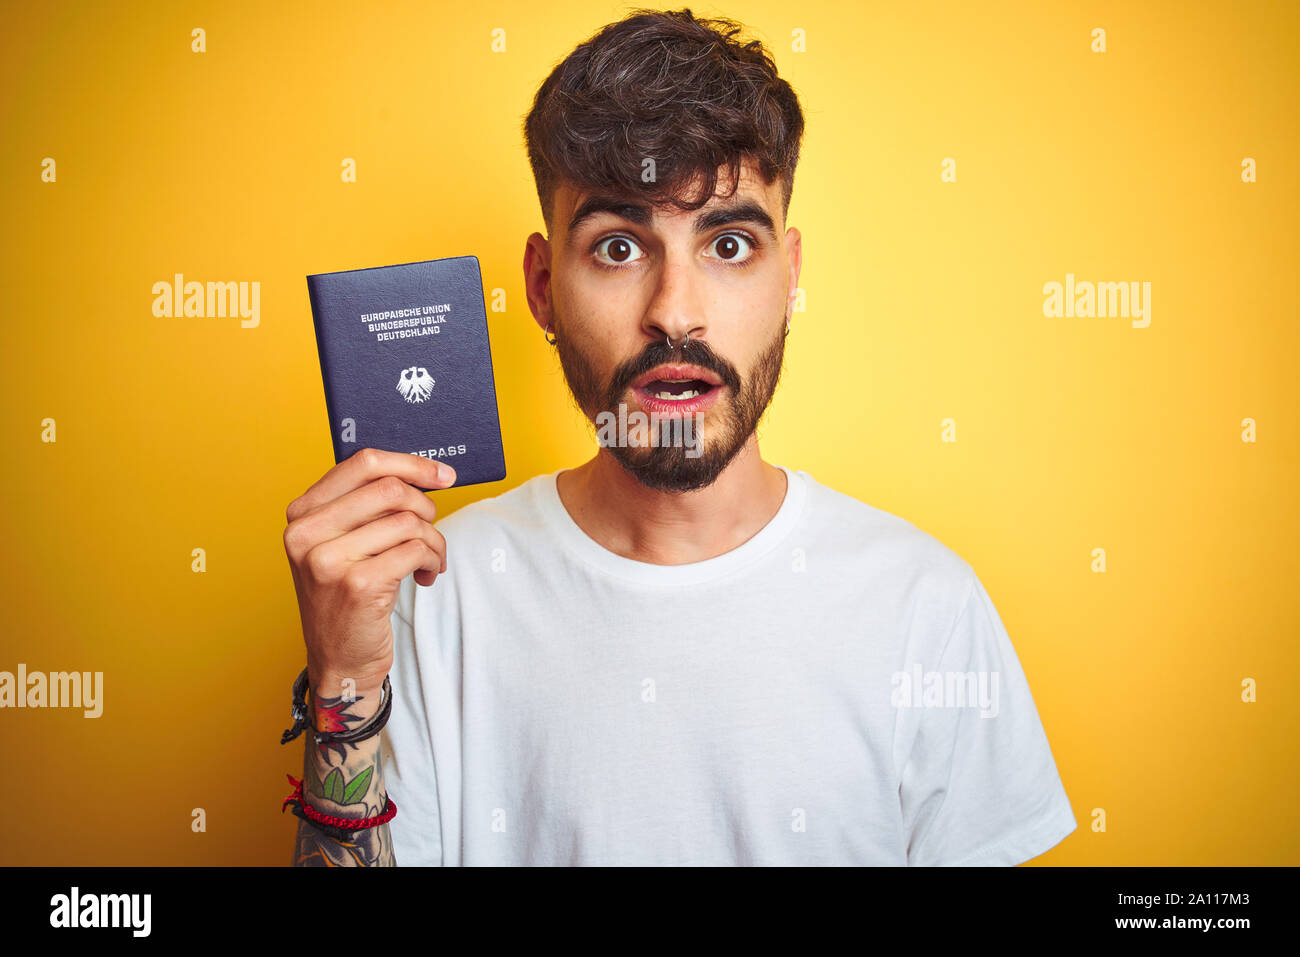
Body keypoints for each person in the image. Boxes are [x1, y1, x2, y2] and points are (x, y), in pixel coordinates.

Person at [281, 7, 1076, 866]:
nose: (675, 312)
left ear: (791, 276)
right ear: (544, 289)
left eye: (729, 243)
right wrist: (345, 684)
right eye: (619, 247)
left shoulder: (929, 608)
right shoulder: (433, 592)